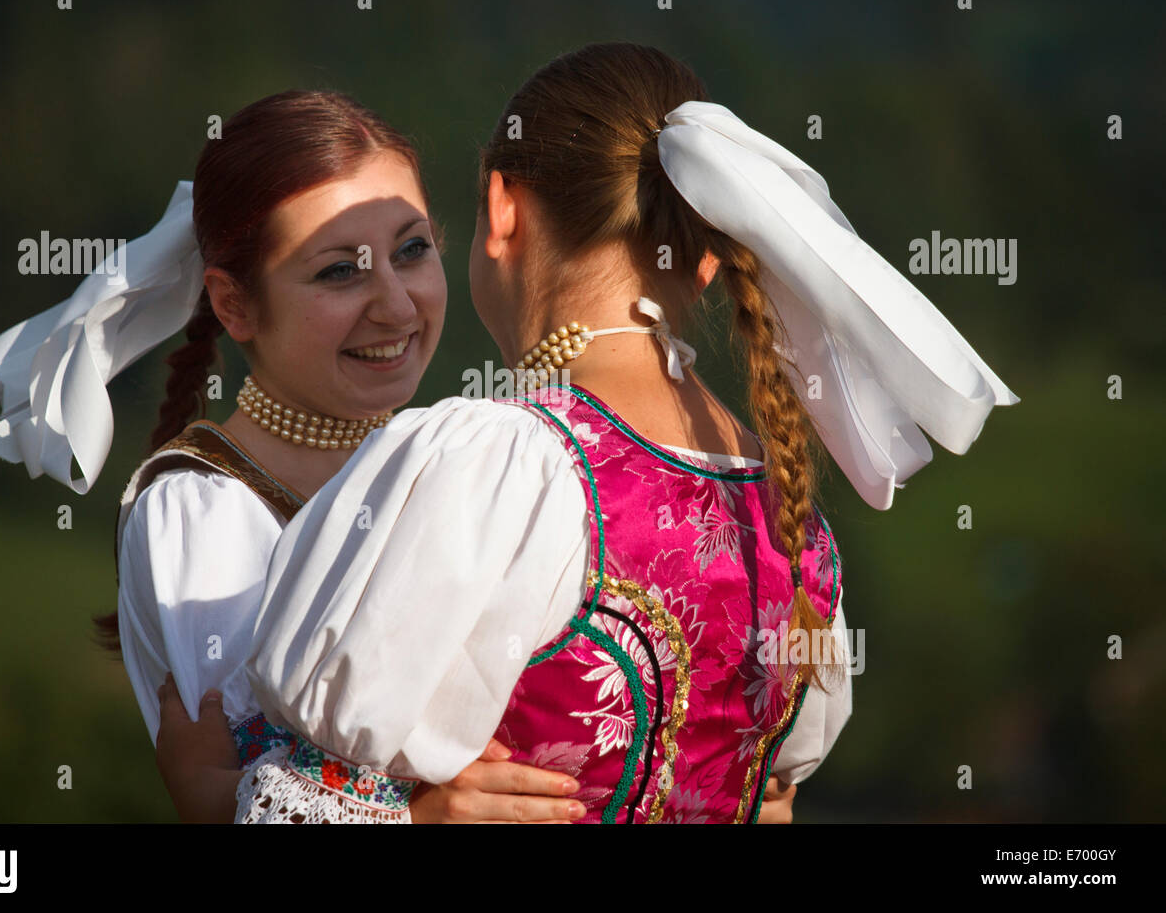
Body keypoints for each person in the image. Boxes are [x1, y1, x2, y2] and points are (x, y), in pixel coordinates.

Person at [158, 41, 1014, 823]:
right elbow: (775, 797)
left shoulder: (493, 461)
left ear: (501, 208)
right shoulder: (789, 509)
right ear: (709, 251)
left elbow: (290, 806)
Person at [0, 89, 589, 823]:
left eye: (411, 250)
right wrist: (420, 816)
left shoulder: (442, 457)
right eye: (339, 272)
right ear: (234, 306)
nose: (395, 304)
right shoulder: (199, 509)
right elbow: (255, 795)